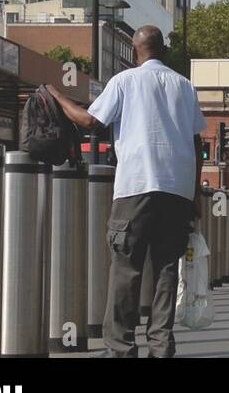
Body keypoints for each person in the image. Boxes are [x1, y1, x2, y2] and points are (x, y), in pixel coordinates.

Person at [45, 25, 206, 358]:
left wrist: (57, 97)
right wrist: (195, 197)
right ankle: (160, 348)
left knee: (126, 270)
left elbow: (91, 122)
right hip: (177, 190)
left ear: (135, 52)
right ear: (162, 50)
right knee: (166, 271)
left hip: (136, 188)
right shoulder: (185, 86)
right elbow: (196, 141)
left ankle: (121, 348)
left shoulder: (125, 81)